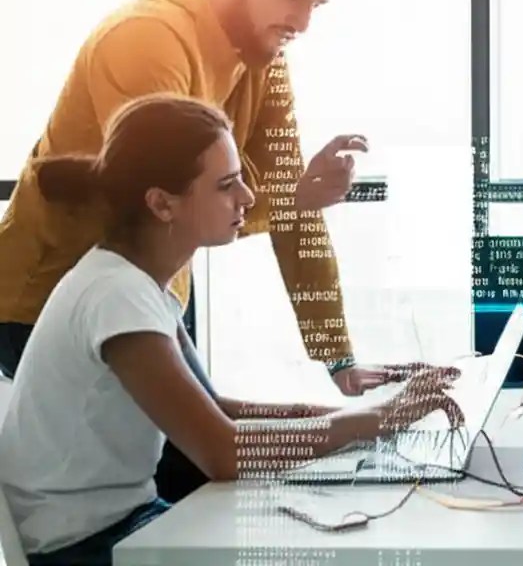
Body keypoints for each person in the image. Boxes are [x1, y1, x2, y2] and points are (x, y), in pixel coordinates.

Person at [0, 94, 463, 566]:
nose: (247, 197)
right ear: (162, 204)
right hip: (85, 547)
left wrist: (356, 418)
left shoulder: (141, 286)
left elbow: (216, 408)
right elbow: (222, 453)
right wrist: (372, 422)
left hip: (125, 525)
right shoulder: (116, 296)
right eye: (227, 185)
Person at [0, 0, 417, 395]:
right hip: (50, 300)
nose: (302, 23)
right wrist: (290, 199)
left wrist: (339, 357)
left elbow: (289, 201)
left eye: (315, 6)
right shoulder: (146, 40)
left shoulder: (266, 62)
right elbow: (163, 205)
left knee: (202, 452)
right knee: (192, 455)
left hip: (151, 293)